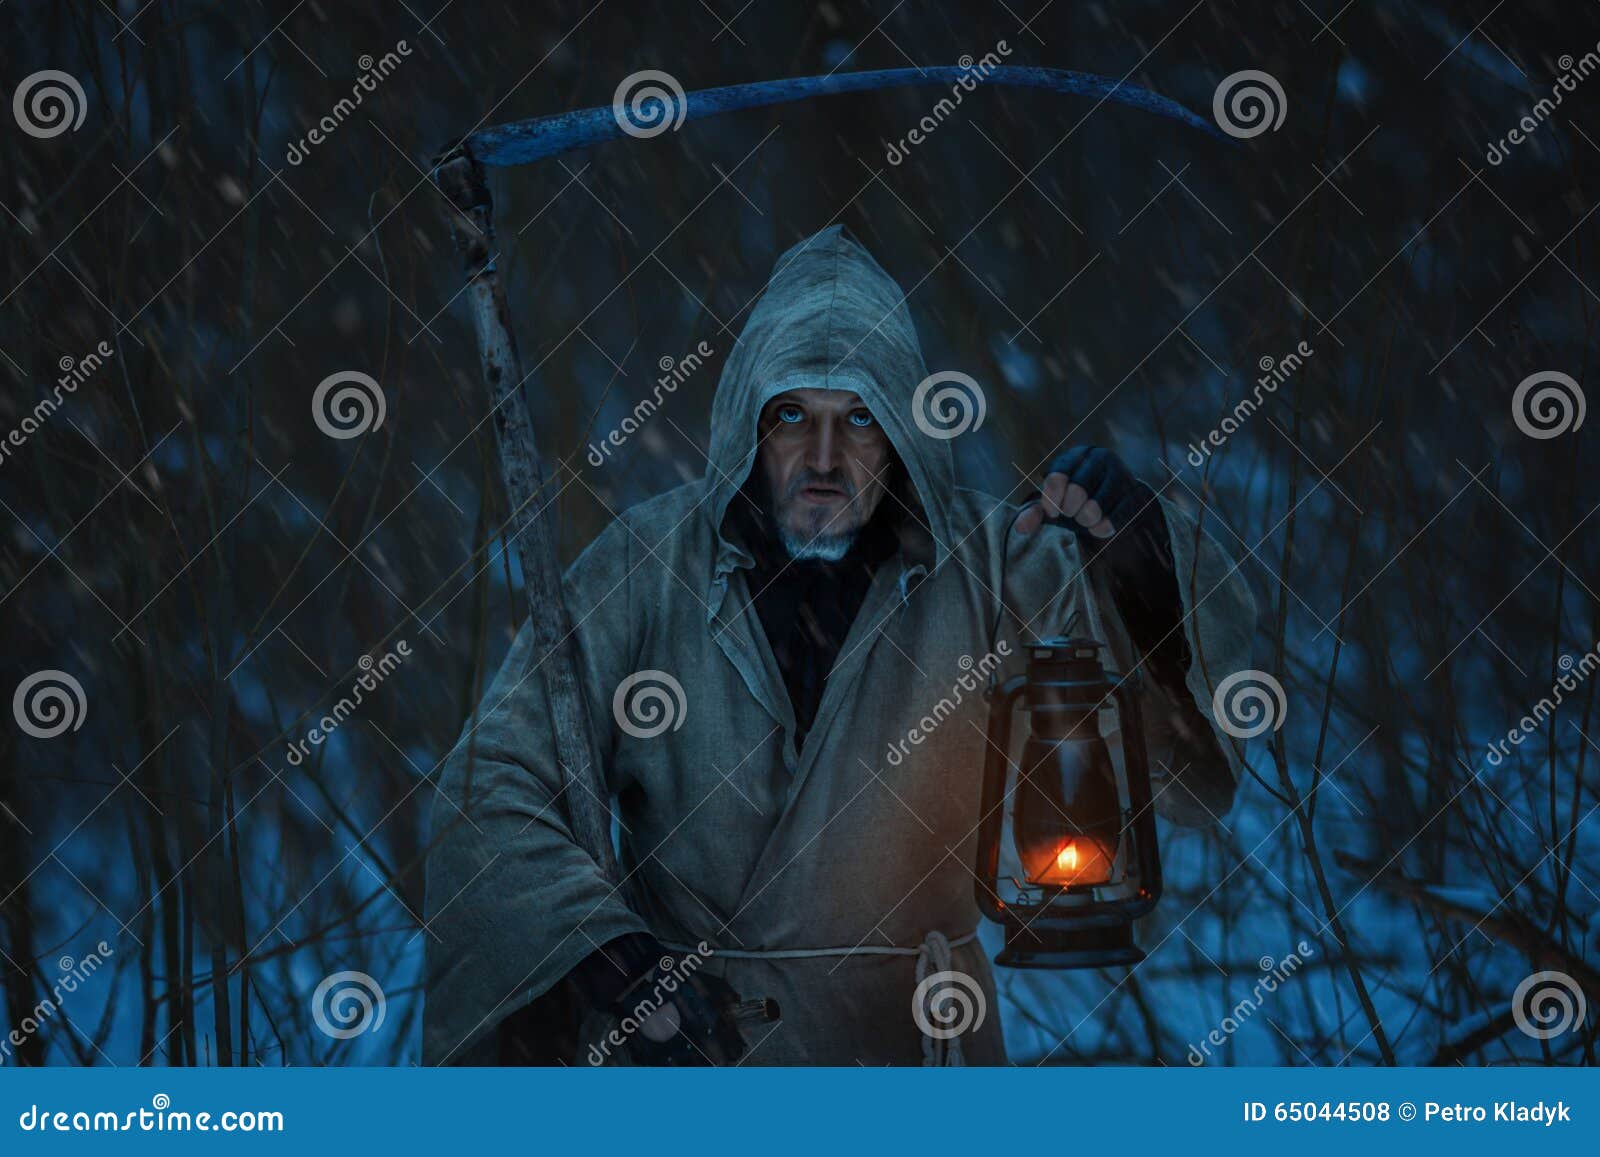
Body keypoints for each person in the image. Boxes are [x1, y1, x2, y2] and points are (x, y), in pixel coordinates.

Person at [422, 225, 1255, 1066]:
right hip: (692, 1063)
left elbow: (1185, 767)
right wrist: (613, 958)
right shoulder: (647, 569)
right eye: (793, 415)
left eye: (858, 417)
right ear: (750, 422)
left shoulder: (989, 566)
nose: (823, 458)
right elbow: (486, 783)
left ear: (900, 431)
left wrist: (1149, 564)